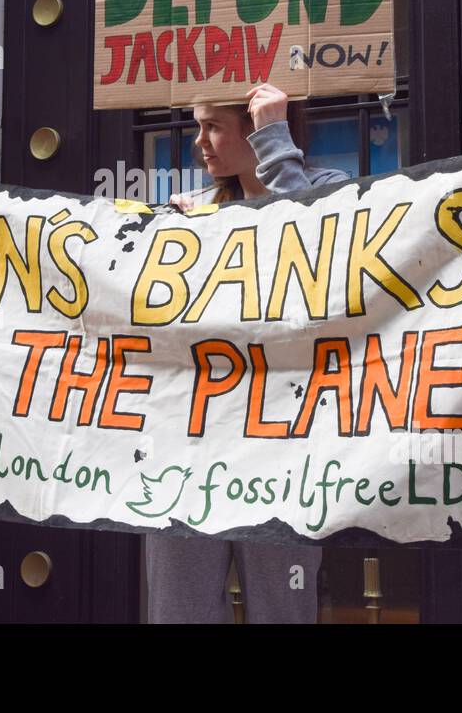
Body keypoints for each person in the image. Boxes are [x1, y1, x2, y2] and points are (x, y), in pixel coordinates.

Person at [146, 83, 348, 624]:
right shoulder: (192, 212)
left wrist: (275, 144)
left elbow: (313, 249)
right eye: (197, 125)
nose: (199, 143)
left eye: (213, 126)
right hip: (189, 447)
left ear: (257, 128)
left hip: (285, 444)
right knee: (178, 612)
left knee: (284, 609)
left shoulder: (332, 190)